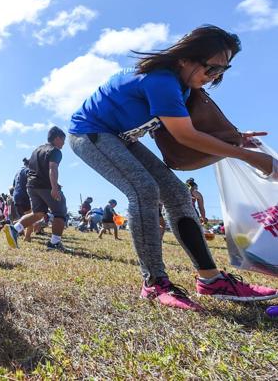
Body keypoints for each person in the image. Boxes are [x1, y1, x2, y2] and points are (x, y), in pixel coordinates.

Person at [68, 25, 277, 311]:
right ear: (185, 59)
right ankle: (154, 283)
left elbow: (192, 127)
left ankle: (211, 279)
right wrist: (252, 158)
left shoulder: (181, 85)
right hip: (89, 134)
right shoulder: (162, 82)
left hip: (120, 137)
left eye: (221, 71)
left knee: (178, 195)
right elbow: (186, 135)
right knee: (144, 190)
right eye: (211, 68)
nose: (214, 77)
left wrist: (237, 139)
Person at [8, 127, 71, 251]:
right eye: (63, 140)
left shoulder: (36, 150)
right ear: (57, 138)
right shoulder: (55, 151)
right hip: (45, 185)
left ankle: (14, 229)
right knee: (60, 212)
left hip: (31, 186)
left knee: (38, 213)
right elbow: (52, 168)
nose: (64, 143)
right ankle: (55, 243)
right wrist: (54, 188)